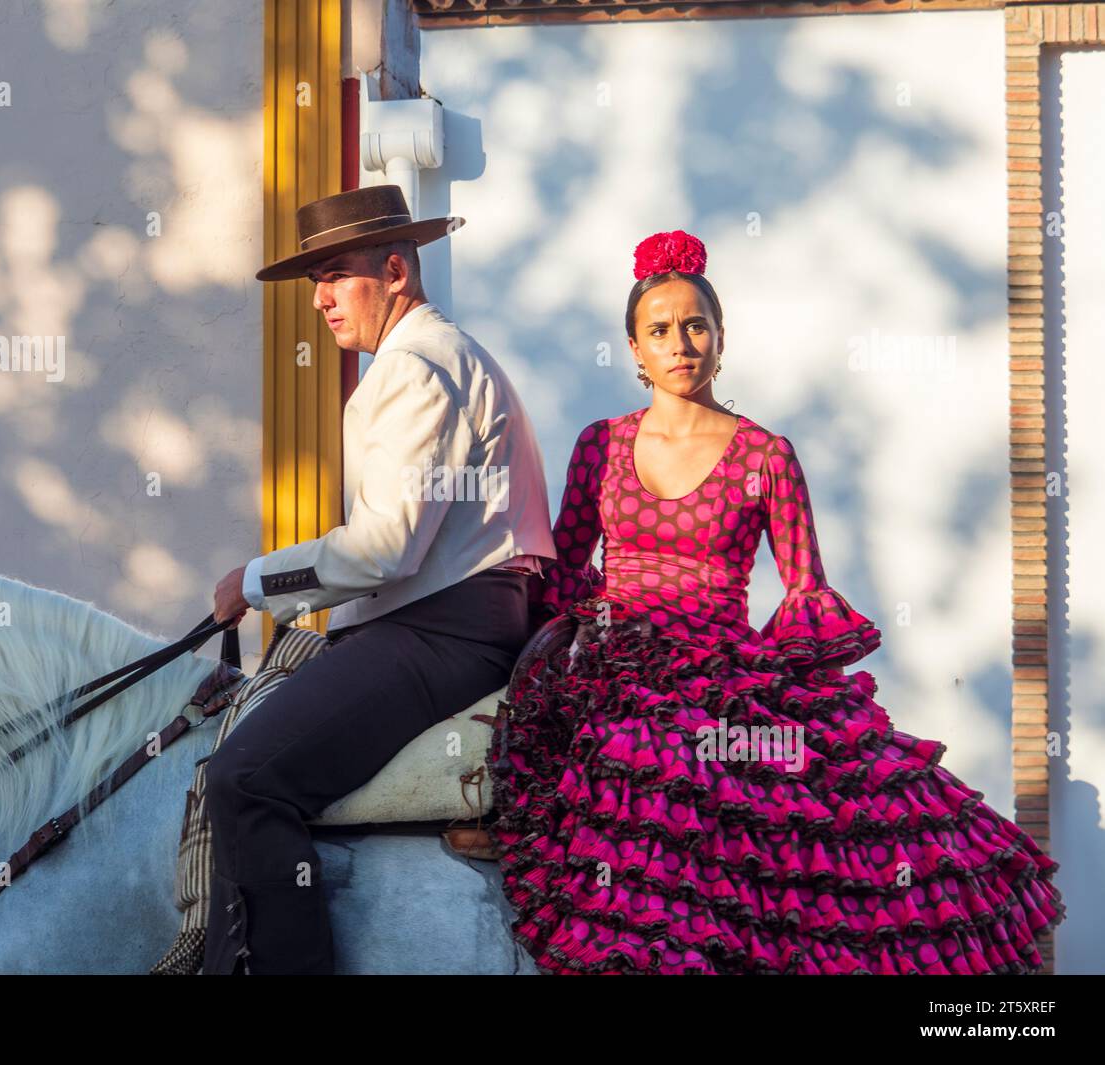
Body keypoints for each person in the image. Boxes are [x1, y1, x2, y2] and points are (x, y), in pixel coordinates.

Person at [489, 230, 1067, 975]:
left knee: (824, 815)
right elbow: (567, 570)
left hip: (724, 667)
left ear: (722, 340)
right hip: (618, 662)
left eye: (696, 325)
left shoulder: (766, 455)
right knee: (645, 770)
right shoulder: (599, 444)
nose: (680, 342)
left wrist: (799, 710)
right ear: (634, 350)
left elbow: (805, 591)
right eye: (659, 330)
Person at [202, 184, 557, 975]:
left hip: (439, 629)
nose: (322, 299)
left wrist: (255, 580)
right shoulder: (440, 355)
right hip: (442, 620)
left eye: (336, 274)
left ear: (395, 270)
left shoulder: (413, 367)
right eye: (313, 283)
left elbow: (386, 546)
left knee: (244, 777)